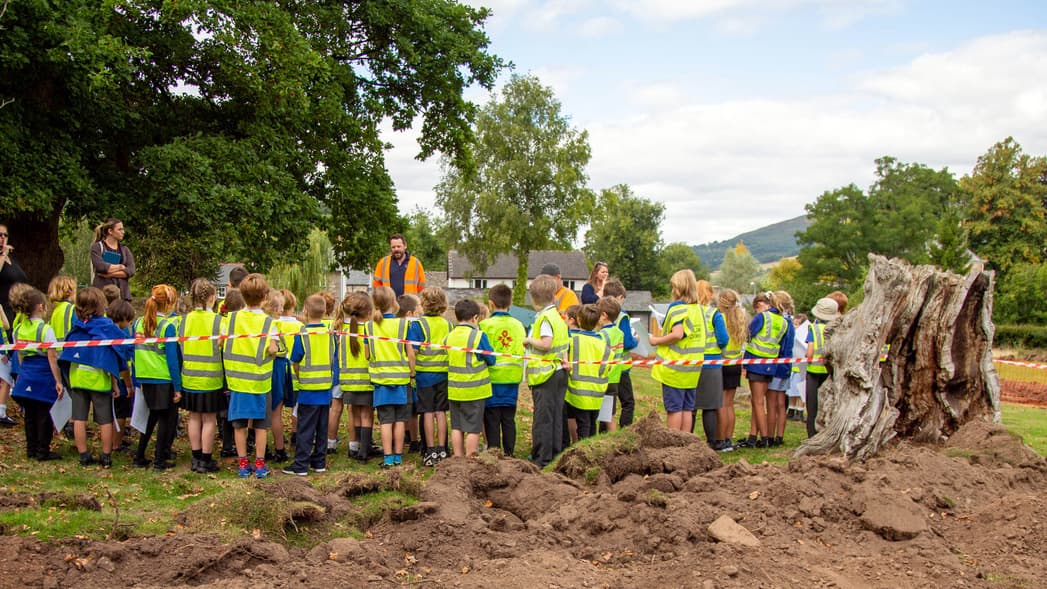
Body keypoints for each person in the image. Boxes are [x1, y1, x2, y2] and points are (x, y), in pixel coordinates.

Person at [59, 287, 134, 467]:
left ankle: (83, 455)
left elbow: (67, 352)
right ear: (101, 305)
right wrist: (118, 381)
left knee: (79, 418)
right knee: (105, 419)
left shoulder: (76, 327)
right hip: (99, 380)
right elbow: (119, 351)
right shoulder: (107, 327)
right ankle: (106, 455)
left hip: (77, 378)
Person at [224, 273, 280, 478]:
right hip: (259, 382)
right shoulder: (268, 323)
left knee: (239, 425)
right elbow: (273, 349)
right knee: (261, 426)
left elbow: (221, 342)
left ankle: (242, 464)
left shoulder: (231, 319)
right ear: (265, 297)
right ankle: (259, 464)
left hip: (237, 381)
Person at [9, 286, 64, 461]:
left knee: (30, 416)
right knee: (44, 416)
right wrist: (58, 381)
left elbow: (19, 355)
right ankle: (43, 451)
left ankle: (31, 449)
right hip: (43, 375)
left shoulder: (18, 329)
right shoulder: (45, 329)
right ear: (40, 306)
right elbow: (52, 356)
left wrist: (20, 376)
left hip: (26, 374)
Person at [133, 284, 183, 471]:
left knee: (150, 417)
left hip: (145, 376)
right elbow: (172, 360)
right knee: (165, 420)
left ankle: (140, 455)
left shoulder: (138, 323)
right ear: (169, 304)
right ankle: (159, 460)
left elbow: (134, 350)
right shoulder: (168, 327)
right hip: (163, 378)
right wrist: (177, 386)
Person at [285, 295, 336, 475]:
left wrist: (299, 376)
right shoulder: (330, 334)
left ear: (305, 311)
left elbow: (295, 360)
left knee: (305, 429)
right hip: (325, 390)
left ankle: (300, 465)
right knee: (322, 429)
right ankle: (319, 463)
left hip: (308, 390)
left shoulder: (303, 335)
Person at [649, 270, 706, 432]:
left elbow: (678, 334)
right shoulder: (699, 309)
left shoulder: (677, 307)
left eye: (674, 286)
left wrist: (655, 340)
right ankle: (686, 445)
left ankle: (674, 445)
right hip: (693, 367)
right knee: (687, 408)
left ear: (679, 288)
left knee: (674, 409)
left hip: (675, 367)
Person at [523, 274, 570, 468]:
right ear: (553, 295)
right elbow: (564, 343)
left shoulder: (544, 318)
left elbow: (546, 343)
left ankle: (541, 458)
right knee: (556, 417)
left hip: (546, 375)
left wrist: (528, 341)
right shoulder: (558, 317)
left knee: (543, 419)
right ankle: (555, 455)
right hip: (559, 372)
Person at [179, 279, 224, 474]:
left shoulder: (184, 320)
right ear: (212, 298)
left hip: (189, 376)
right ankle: (206, 458)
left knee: (193, 417)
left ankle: (196, 457)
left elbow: (181, 347)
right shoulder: (218, 321)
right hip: (210, 377)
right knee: (209, 419)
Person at [367, 286, 414, 468]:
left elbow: (368, 354)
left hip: (381, 381)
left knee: (386, 421)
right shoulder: (403, 324)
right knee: (400, 420)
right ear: (394, 303)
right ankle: (398, 456)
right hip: (401, 380)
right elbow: (410, 353)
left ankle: (387, 457)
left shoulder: (370, 326)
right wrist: (412, 372)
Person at [738, 292, 790, 449]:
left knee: (758, 402)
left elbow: (748, 333)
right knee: (759, 401)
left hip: (757, 361)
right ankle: (754, 436)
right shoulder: (783, 322)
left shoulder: (763, 317)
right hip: (771, 364)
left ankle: (765, 438)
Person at [445, 298, 497, 457]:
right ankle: (470, 459)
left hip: (454, 389)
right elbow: (491, 359)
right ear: (475, 318)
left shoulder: (449, 336)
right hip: (474, 390)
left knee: (457, 427)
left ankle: (458, 458)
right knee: (473, 428)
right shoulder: (478, 336)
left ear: (456, 316)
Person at [480, 284, 525, 457]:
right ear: (510, 303)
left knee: (491, 418)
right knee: (508, 418)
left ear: (490, 304)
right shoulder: (519, 325)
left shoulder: (485, 325)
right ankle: (509, 453)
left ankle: (494, 453)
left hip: (492, 379)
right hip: (512, 379)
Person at [333, 292, 376, 461]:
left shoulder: (343, 332)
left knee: (356, 415)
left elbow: (340, 358)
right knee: (366, 415)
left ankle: (356, 447)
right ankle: (365, 450)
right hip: (365, 380)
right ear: (367, 312)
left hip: (348, 381)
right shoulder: (368, 330)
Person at [414, 287, 452, 466]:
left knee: (427, 412)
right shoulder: (448, 325)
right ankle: (442, 449)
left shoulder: (418, 324)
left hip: (425, 375)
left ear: (423, 303)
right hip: (443, 374)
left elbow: (412, 350)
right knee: (441, 412)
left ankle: (430, 451)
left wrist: (412, 371)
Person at [564, 304, 610, 442]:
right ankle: (592, 450)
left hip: (577, 392)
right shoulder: (603, 342)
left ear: (578, 319)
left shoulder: (572, 340)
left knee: (583, 426)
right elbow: (608, 366)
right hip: (597, 393)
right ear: (598, 322)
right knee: (591, 424)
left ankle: (583, 454)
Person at [694, 280, 728, 448]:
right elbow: (723, 339)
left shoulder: (689, 312)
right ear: (710, 294)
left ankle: (688, 441)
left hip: (692, 361)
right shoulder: (714, 314)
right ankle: (713, 442)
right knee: (710, 406)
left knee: (691, 406)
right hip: (712, 364)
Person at [715, 289, 748, 452]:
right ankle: (728, 438)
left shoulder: (720, 318)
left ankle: (720, 439)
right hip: (735, 363)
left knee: (721, 404)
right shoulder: (740, 318)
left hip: (722, 363)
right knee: (729, 404)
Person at [602, 279, 638, 428]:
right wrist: (636, 339)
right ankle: (625, 431)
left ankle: (602, 434)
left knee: (606, 406)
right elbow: (627, 342)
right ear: (619, 298)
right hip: (620, 368)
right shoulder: (622, 316)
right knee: (628, 403)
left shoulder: (600, 315)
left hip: (606, 369)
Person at [263, 290, 291, 463]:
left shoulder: (261, 324)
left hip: (265, 368)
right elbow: (275, 349)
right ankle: (280, 449)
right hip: (276, 367)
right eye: (280, 306)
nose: (282, 310)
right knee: (275, 413)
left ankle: (263, 447)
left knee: (261, 412)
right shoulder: (272, 325)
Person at [765, 291, 795, 447]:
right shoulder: (790, 322)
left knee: (771, 403)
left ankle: (769, 436)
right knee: (781, 402)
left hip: (775, 364)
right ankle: (779, 436)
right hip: (787, 364)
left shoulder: (778, 321)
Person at [806, 297, 840, 438]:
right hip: (830, 372)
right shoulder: (838, 328)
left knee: (812, 406)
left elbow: (809, 352)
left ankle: (812, 434)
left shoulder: (813, 329)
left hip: (813, 371)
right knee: (828, 404)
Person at [596, 296, 624, 433]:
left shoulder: (602, 334)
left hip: (605, 378)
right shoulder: (619, 333)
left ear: (604, 315)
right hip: (615, 377)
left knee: (607, 415)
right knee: (609, 413)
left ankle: (613, 439)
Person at [90, 218, 135, 302]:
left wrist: (108, 275)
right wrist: (121, 267)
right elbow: (101, 267)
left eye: (123, 229)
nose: (123, 232)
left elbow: (131, 270)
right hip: (102, 295)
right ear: (110, 231)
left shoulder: (125, 250)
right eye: (120, 229)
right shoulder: (97, 247)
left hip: (122, 295)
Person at [0, 223, 29, 328]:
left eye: (5, 235)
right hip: (4, 312)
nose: (3, 237)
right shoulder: (3, 256)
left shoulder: (11, 259)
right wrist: (3, 254)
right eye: (0, 235)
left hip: (19, 311)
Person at [788, 313, 811, 422]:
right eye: (794, 324)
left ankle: (800, 411)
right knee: (792, 390)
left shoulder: (805, 334)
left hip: (801, 369)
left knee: (800, 391)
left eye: (797, 324)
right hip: (793, 368)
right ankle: (791, 409)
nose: (795, 326)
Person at [47, 276, 77, 342]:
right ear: (70, 291)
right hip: (68, 348)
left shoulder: (54, 309)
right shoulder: (72, 309)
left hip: (55, 349)